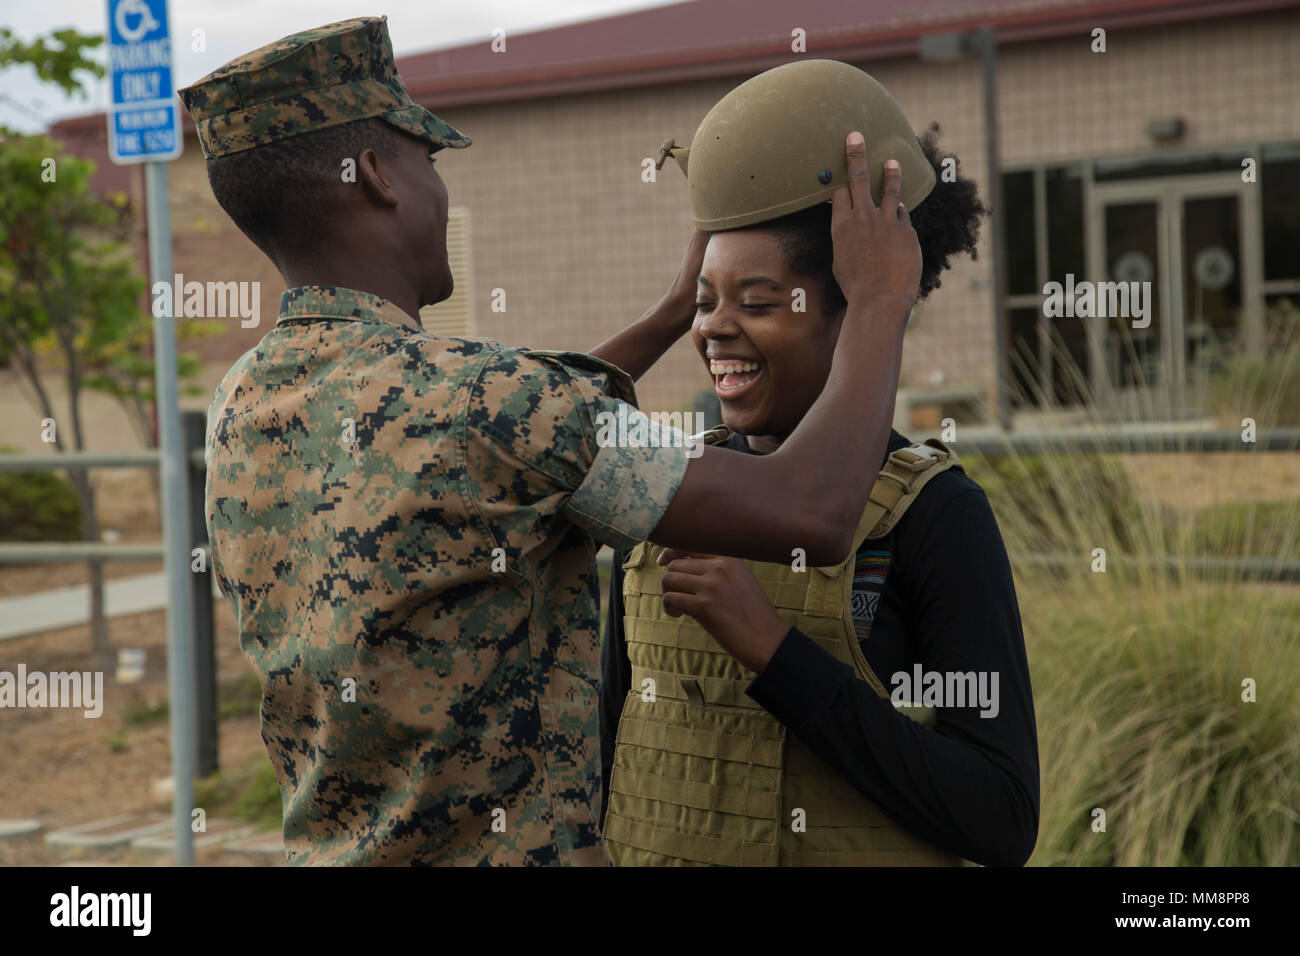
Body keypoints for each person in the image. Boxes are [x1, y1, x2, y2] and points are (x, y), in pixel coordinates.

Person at [180, 21, 923, 864]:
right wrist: (879, 300)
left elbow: (506, 447)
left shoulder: (244, 400)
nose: (439, 188)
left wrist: (670, 314)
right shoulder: (487, 404)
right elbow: (813, 511)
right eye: (430, 159)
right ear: (380, 177)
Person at [600, 60, 1040, 867]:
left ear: (852, 309)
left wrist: (776, 654)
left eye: (759, 303)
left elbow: (1002, 816)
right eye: (704, 303)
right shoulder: (668, 496)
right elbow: (606, 763)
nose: (714, 331)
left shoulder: (933, 516)